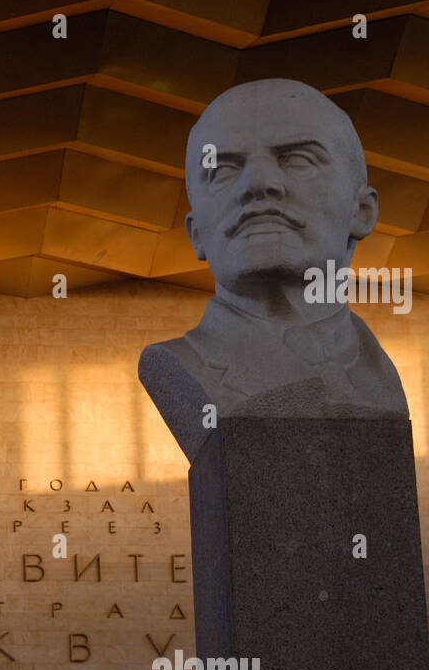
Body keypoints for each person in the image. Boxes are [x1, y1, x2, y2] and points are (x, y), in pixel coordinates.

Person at [138, 78, 409, 463]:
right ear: (196, 234)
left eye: (297, 159)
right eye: (223, 170)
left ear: (361, 212)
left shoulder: (378, 374)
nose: (259, 184)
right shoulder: (181, 365)